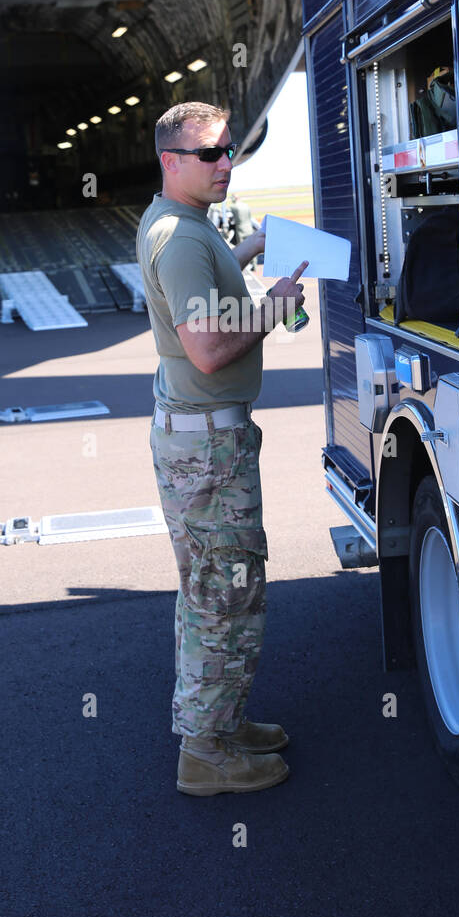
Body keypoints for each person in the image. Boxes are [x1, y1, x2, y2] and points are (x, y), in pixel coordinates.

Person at [135, 101, 307, 796]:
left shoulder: (185, 228)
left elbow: (200, 296)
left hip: (201, 442)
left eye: (229, 151)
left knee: (211, 589)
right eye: (209, 155)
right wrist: (277, 302)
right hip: (209, 449)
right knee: (224, 595)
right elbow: (206, 347)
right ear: (171, 161)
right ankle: (206, 753)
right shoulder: (180, 237)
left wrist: (251, 250)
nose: (225, 163)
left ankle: (220, 724)